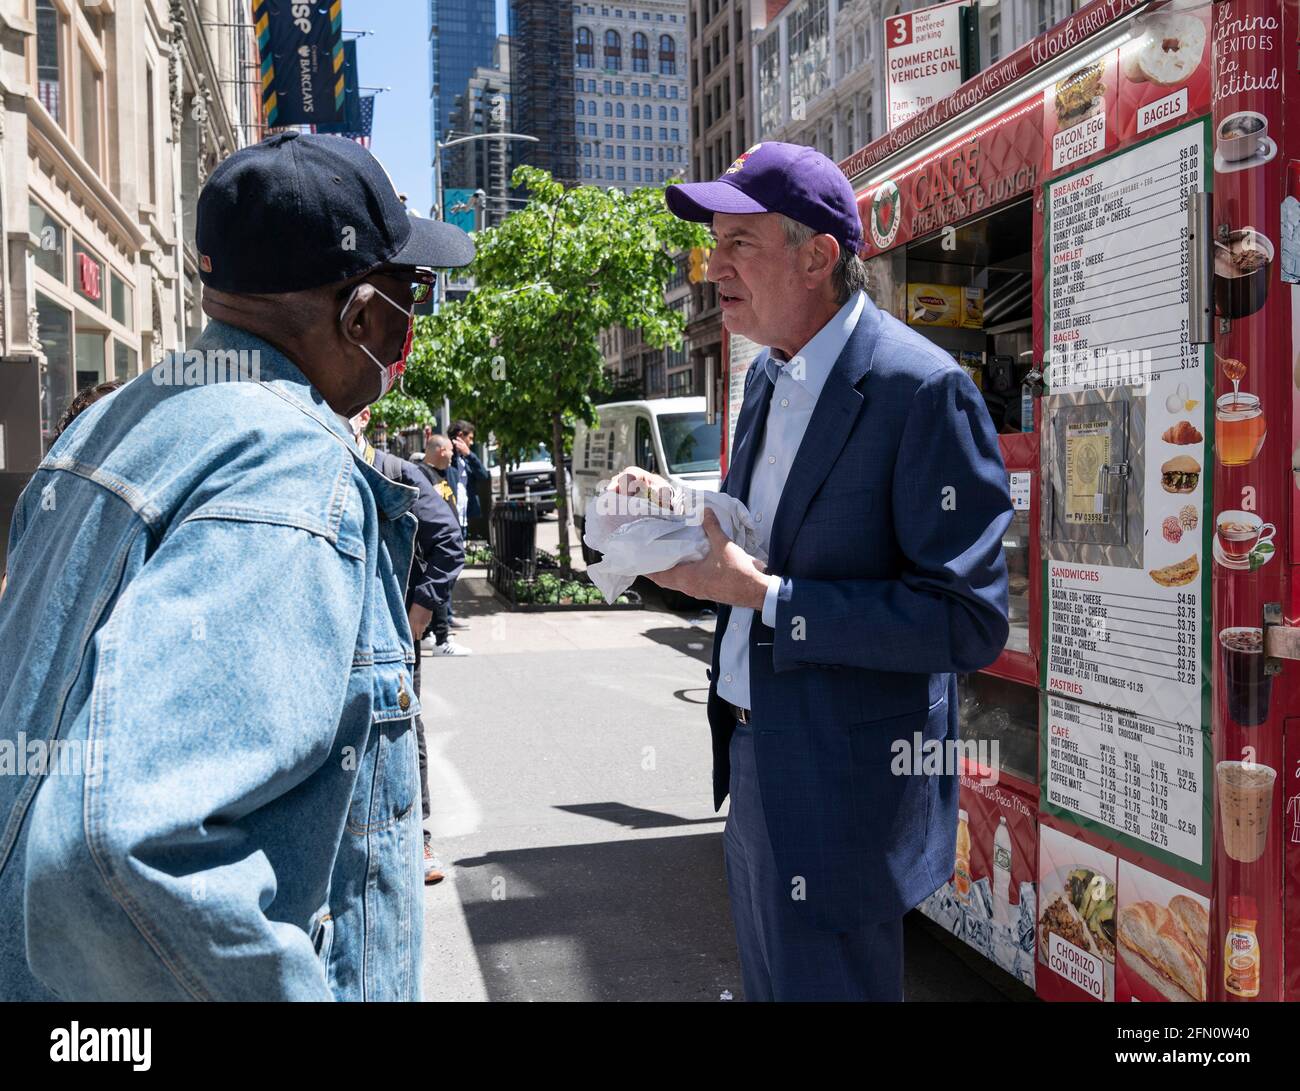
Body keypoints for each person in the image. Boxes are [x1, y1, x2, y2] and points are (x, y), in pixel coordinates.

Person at [0, 131, 474, 1001]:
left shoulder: (100, 433)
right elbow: (119, 853)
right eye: (415, 295)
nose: (413, 321)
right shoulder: (292, 472)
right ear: (358, 312)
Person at [618, 141, 1012, 1001]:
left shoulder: (923, 391)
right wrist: (687, 517)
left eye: (737, 245)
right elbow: (764, 531)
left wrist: (766, 597)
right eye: (711, 245)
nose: (711, 269)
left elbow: (968, 621)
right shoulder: (765, 377)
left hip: (846, 788)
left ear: (818, 256)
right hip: (757, 753)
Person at [345, 411, 465, 881]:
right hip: (344, 635)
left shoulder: (398, 472)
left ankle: (417, 838)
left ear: (366, 414)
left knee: (403, 730)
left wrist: (422, 607)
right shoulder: (320, 462)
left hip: (393, 636)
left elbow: (449, 540)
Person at [415, 432, 471, 655]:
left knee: (441, 590)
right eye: (450, 450)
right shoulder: (421, 474)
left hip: (447, 540)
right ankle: (442, 640)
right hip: (434, 543)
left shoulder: (444, 474)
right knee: (438, 589)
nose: (452, 455)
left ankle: (429, 635)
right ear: (440, 451)